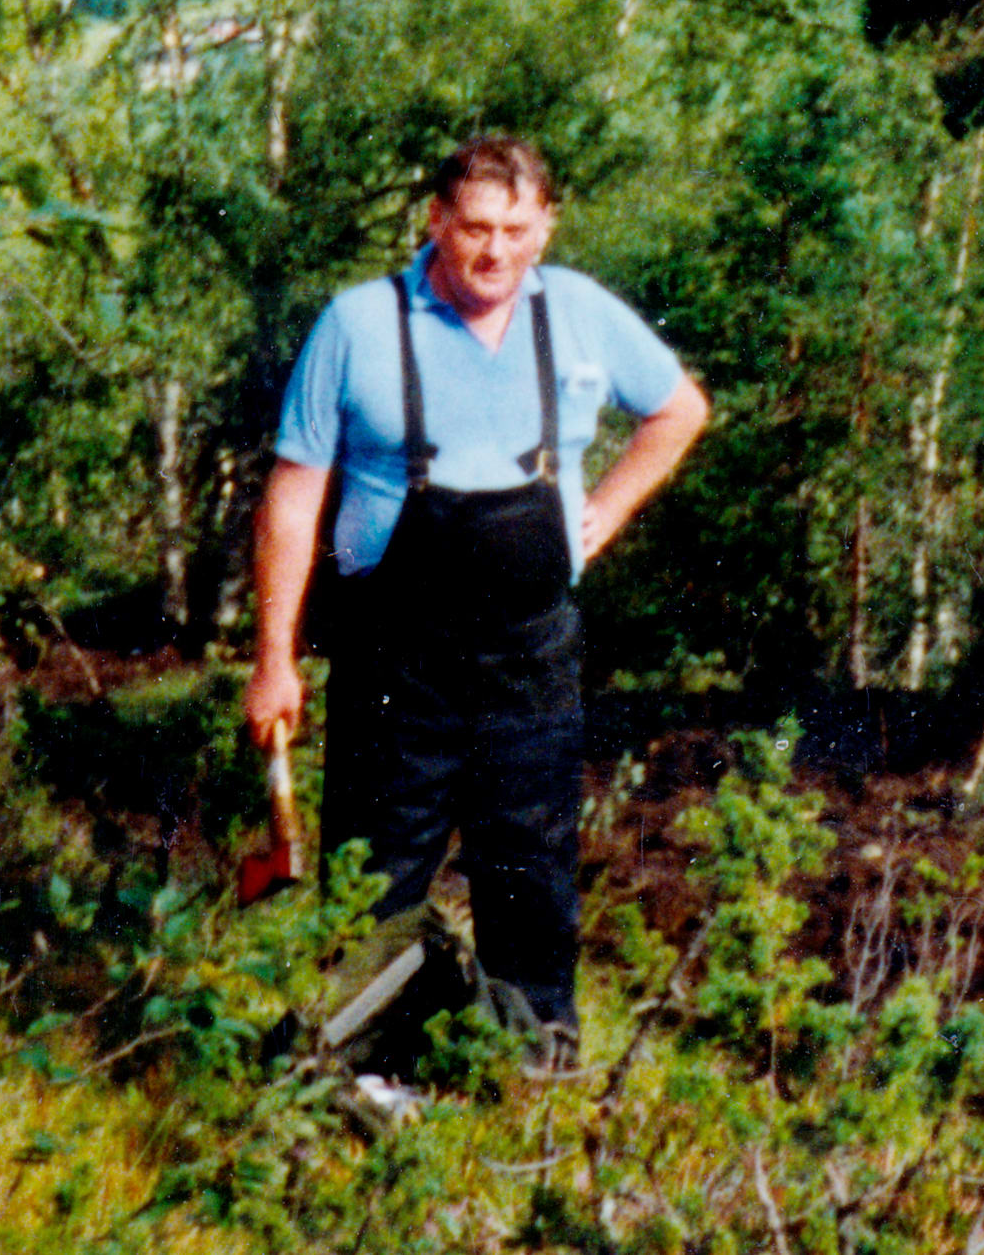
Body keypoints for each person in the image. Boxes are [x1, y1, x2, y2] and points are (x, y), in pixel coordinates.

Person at [243, 135, 709, 1059]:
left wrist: (607, 510)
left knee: (530, 868)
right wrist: (274, 661)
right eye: (474, 230)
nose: (494, 252)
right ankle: (358, 1069)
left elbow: (678, 410)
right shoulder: (358, 325)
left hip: (530, 653)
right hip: (395, 657)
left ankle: (529, 1068)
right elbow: (292, 499)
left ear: (545, 228)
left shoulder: (576, 313)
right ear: (436, 224)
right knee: (376, 872)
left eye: (514, 230)